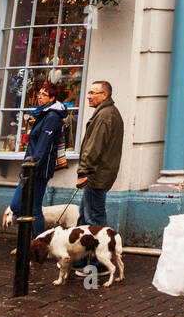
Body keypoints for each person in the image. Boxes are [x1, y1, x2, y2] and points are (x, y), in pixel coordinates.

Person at [9, 81, 67, 237]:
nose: (39, 97)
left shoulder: (52, 116)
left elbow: (43, 145)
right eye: (39, 93)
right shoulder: (43, 113)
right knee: (21, 206)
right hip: (31, 166)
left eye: (44, 95)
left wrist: (32, 168)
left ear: (52, 98)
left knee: (31, 207)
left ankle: (38, 243)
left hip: (38, 169)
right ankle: (32, 241)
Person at [76, 80, 124, 228]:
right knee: (85, 219)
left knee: (94, 221)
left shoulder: (104, 115)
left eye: (92, 93)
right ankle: (83, 251)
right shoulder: (108, 113)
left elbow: (93, 148)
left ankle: (102, 250)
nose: (89, 96)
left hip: (96, 175)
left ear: (105, 95)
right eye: (89, 92)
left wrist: (83, 172)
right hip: (98, 174)